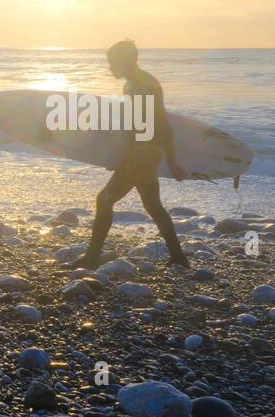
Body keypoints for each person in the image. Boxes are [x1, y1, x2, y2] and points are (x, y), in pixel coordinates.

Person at [74, 40, 189, 269]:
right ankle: (179, 257)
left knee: (104, 199)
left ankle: (93, 257)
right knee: (153, 206)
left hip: (141, 155)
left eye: (112, 62)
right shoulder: (135, 83)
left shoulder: (140, 85)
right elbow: (145, 125)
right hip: (145, 153)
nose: (109, 67)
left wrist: (170, 160)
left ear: (125, 61)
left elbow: (155, 126)